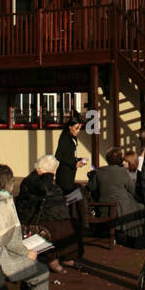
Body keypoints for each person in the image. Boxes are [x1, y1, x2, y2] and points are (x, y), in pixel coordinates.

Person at [16, 155, 77, 272]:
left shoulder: (39, 180)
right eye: (53, 170)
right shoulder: (32, 180)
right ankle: (53, 259)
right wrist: (48, 176)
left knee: (68, 224)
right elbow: (45, 192)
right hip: (32, 217)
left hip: (44, 215)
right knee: (58, 227)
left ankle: (64, 257)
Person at [87, 147, 145, 246]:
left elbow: (92, 188)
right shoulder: (122, 172)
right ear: (120, 159)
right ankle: (136, 236)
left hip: (104, 207)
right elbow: (132, 190)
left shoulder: (99, 171)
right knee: (141, 207)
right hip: (121, 207)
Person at [54, 112, 88, 263]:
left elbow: (69, 154)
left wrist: (77, 160)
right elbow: (60, 155)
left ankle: (72, 213)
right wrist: (74, 163)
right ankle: (72, 216)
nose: (77, 130)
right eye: (75, 128)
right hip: (65, 174)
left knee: (73, 192)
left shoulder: (73, 138)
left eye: (79, 128)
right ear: (69, 127)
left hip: (70, 171)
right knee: (70, 191)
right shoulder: (65, 137)